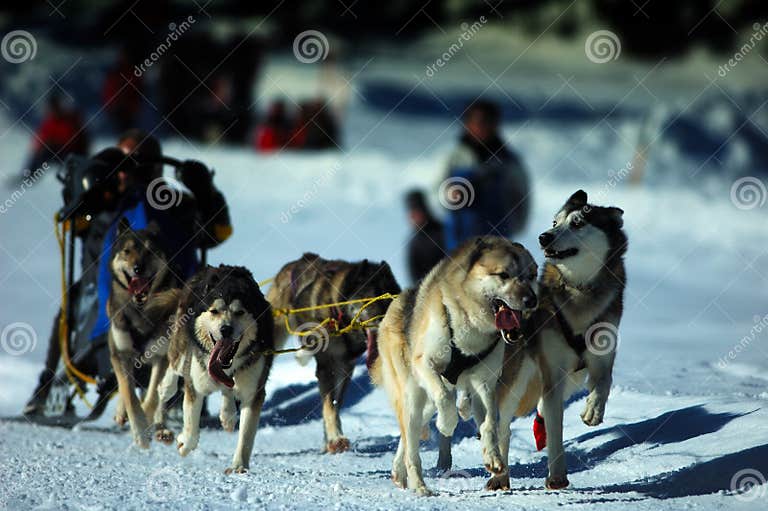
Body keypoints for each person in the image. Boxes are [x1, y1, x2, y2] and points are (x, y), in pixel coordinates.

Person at [23, 130, 232, 417]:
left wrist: (208, 194)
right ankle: (47, 387)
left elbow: (218, 233)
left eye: (140, 164)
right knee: (70, 305)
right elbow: (70, 224)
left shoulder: (181, 203)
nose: (130, 173)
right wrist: (85, 186)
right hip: (105, 306)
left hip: (174, 315)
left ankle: (189, 391)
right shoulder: (101, 201)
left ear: (157, 168)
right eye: (123, 164)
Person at [441, 100, 529, 250]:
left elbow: (521, 196)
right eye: (478, 122)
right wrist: (451, 195)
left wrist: (515, 226)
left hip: (498, 239)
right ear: (467, 125)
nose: (483, 127)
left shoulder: (507, 160)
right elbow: (436, 191)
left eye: (488, 122)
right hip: (460, 238)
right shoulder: (454, 157)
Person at [23, 94, 89, 178]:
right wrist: (42, 147)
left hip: (69, 153)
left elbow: (73, 140)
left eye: (56, 107)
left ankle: (74, 176)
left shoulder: (70, 120)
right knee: (40, 153)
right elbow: (41, 139)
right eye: (52, 108)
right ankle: (29, 175)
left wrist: (54, 142)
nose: (54, 110)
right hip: (54, 152)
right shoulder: (49, 121)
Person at [404, 190, 444, 284]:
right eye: (411, 213)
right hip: (428, 292)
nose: (414, 217)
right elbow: (414, 277)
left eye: (416, 211)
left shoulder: (442, 231)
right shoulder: (414, 243)